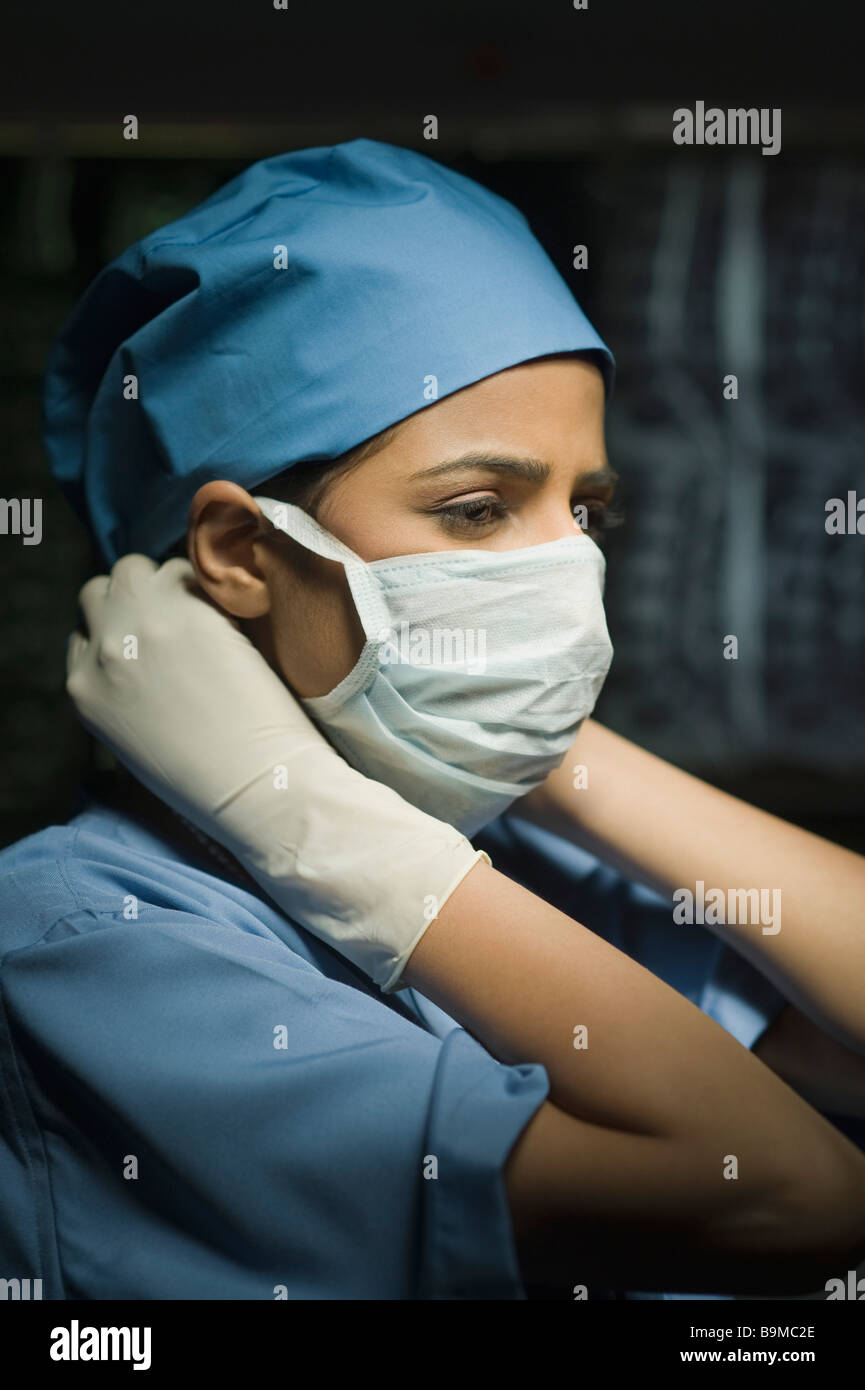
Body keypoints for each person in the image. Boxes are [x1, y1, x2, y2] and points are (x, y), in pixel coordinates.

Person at [2, 139, 864, 1301]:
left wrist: (536, 748)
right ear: (239, 553)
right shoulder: (85, 940)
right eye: (476, 510)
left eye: (585, 510)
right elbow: (783, 1190)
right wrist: (311, 822)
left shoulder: (515, 858)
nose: (565, 574)